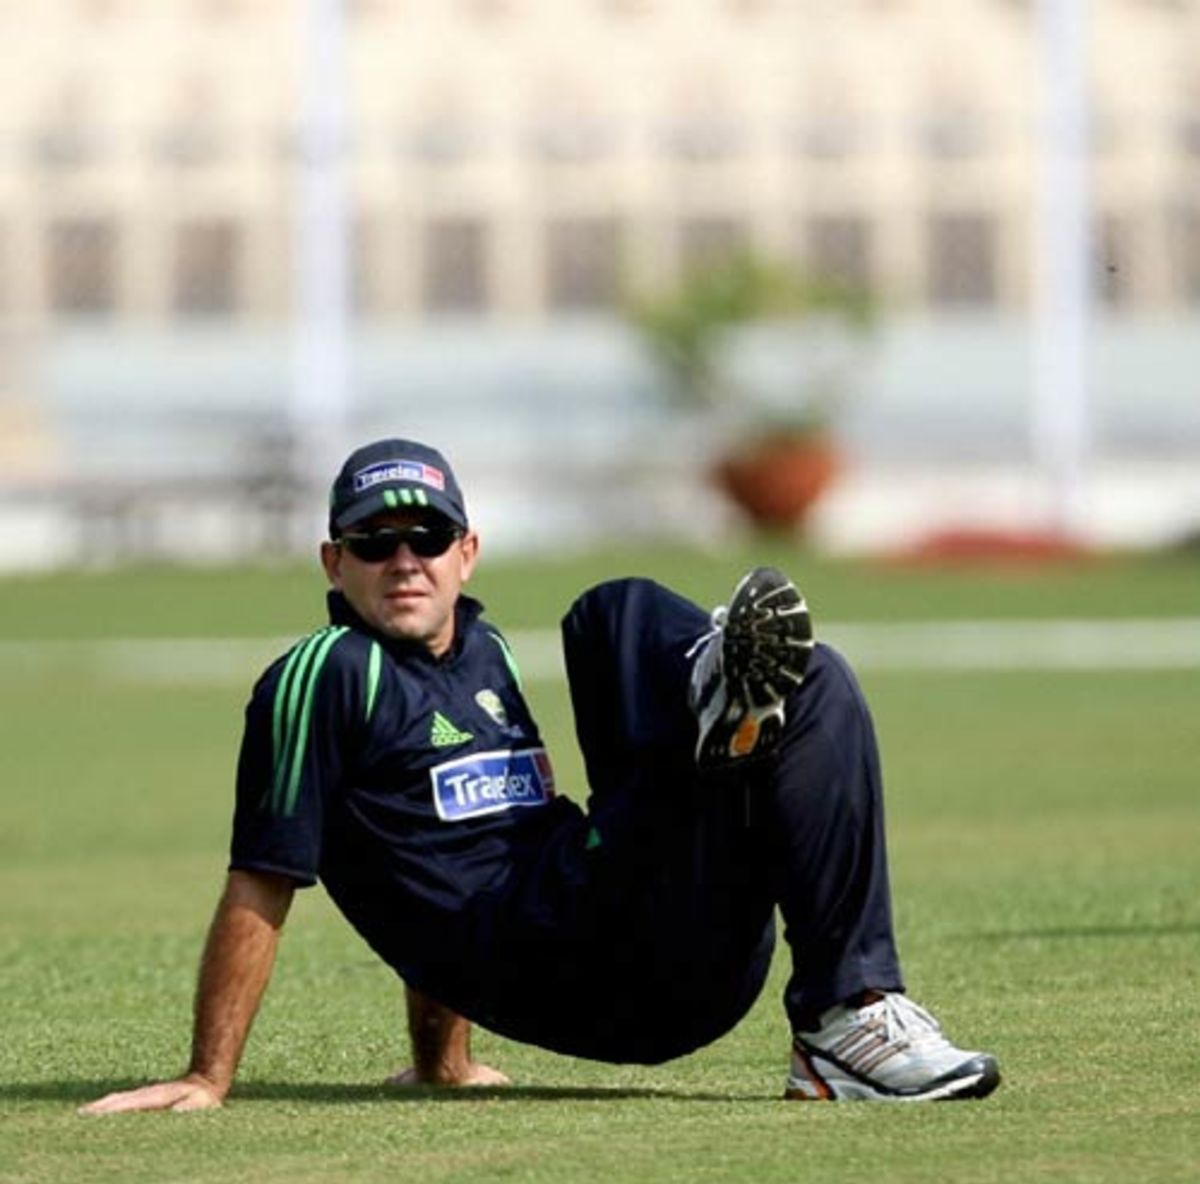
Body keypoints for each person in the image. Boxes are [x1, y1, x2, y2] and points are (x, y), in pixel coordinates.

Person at [81, 437, 1000, 1115]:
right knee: (633, 617)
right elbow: (266, 876)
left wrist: (442, 1061)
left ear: (466, 552)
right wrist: (209, 1076)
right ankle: (716, 703)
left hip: (651, 924)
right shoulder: (322, 676)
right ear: (333, 561)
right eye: (373, 542)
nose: (404, 560)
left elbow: (448, 838)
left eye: (427, 536)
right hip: (594, 962)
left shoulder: (486, 651)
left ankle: (845, 1012)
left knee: (804, 675)